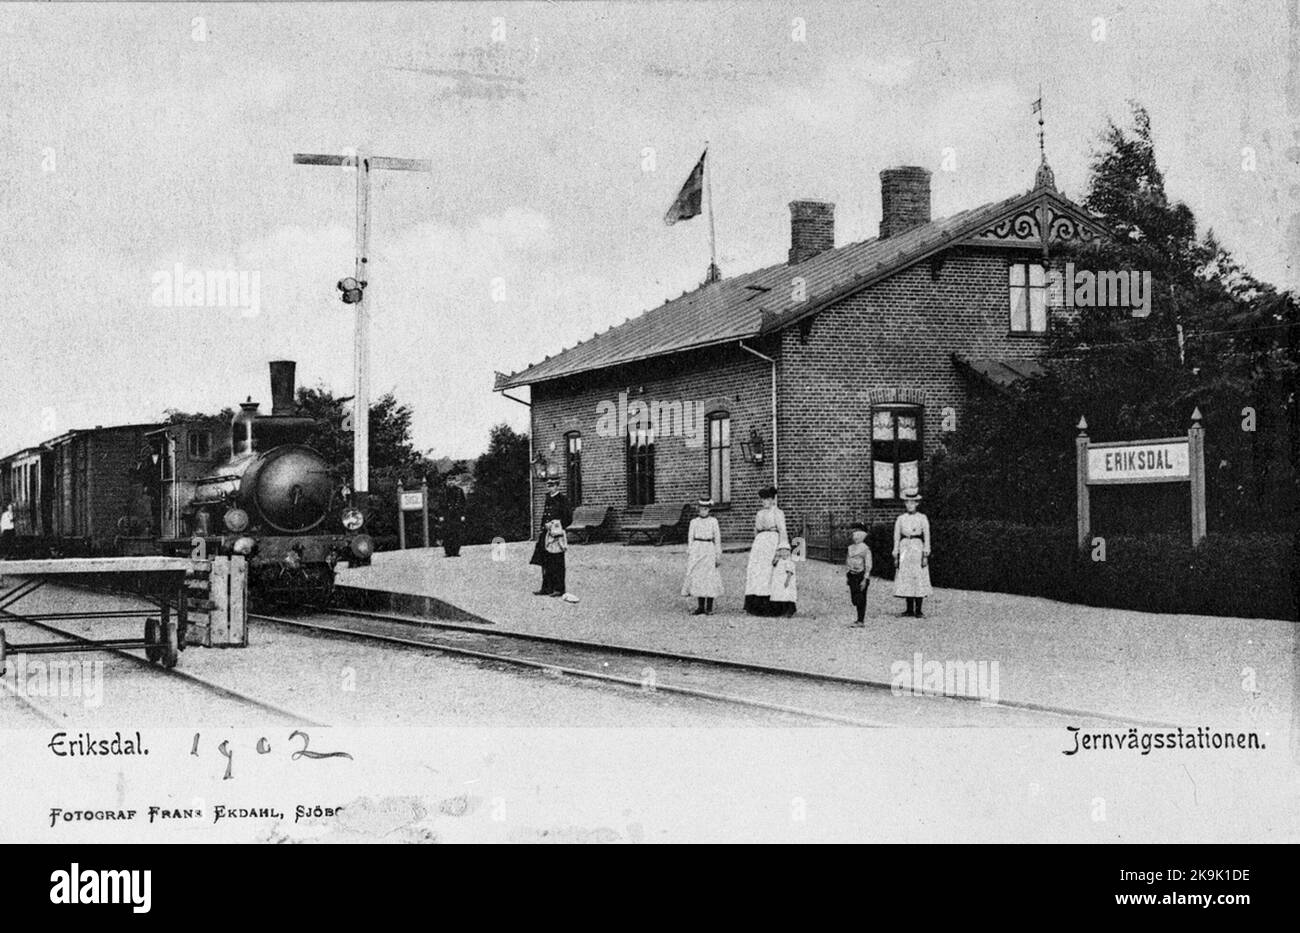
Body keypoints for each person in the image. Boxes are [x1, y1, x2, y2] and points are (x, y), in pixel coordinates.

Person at [744, 485, 788, 615]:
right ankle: (756, 605)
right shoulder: (760, 513)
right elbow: (756, 530)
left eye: (767, 499)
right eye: (763, 499)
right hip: (760, 545)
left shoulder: (778, 513)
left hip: (772, 542)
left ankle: (772, 606)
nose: (764, 502)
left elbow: (782, 531)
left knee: (769, 573)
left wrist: (781, 548)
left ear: (773, 500)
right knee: (757, 572)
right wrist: (757, 543)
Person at [892, 489, 932, 617]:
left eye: (913, 502)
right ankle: (909, 609)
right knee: (907, 577)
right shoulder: (901, 519)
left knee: (918, 576)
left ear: (917, 503)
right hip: (905, 548)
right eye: (908, 502)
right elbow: (896, 537)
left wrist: (925, 554)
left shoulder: (922, 518)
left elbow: (927, 536)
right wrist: (896, 553)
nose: (910, 505)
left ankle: (918, 609)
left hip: (917, 547)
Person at [530, 476, 572, 596]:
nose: (550, 488)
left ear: (558, 486)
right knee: (545, 561)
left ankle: (559, 588)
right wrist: (543, 528)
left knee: (557, 561)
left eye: (553, 485)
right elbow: (545, 515)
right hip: (546, 533)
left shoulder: (562, 499)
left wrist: (555, 525)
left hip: (556, 535)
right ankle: (547, 587)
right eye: (548, 485)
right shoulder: (548, 498)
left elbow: (568, 518)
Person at [681, 499, 723, 615]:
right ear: (698, 509)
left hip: (709, 548)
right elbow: (690, 538)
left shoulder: (713, 521)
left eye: (706, 509)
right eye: (701, 509)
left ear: (709, 509)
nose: (703, 511)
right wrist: (690, 552)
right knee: (699, 576)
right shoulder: (694, 522)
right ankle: (700, 606)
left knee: (709, 577)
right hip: (697, 549)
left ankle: (709, 607)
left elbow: (717, 539)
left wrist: (718, 554)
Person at [846, 521, 872, 627]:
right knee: (854, 598)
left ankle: (861, 620)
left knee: (860, 598)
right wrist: (848, 573)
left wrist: (865, 578)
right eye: (853, 534)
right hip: (852, 574)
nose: (855, 536)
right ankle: (859, 619)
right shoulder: (851, 548)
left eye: (857, 533)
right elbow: (848, 560)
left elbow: (868, 564)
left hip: (861, 575)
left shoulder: (865, 549)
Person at [439, 476, 468, 557]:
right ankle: (448, 552)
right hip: (447, 515)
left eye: (452, 481)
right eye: (449, 481)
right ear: (446, 482)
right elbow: (440, 504)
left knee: (457, 533)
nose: (451, 482)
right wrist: (441, 515)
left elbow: (463, 504)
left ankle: (456, 551)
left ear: (455, 481)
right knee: (447, 534)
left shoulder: (459, 491)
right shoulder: (443, 491)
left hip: (457, 515)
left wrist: (463, 515)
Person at [768, 545, 798, 616]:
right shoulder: (779, 561)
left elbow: (789, 573)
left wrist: (787, 581)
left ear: (789, 553)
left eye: (786, 551)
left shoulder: (789, 562)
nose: (784, 554)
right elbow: (773, 564)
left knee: (787, 595)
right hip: (778, 582)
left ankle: (790, 611)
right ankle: (778, 611)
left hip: (785, 582)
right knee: (778, 595)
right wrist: (776, 557)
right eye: (781, 551)